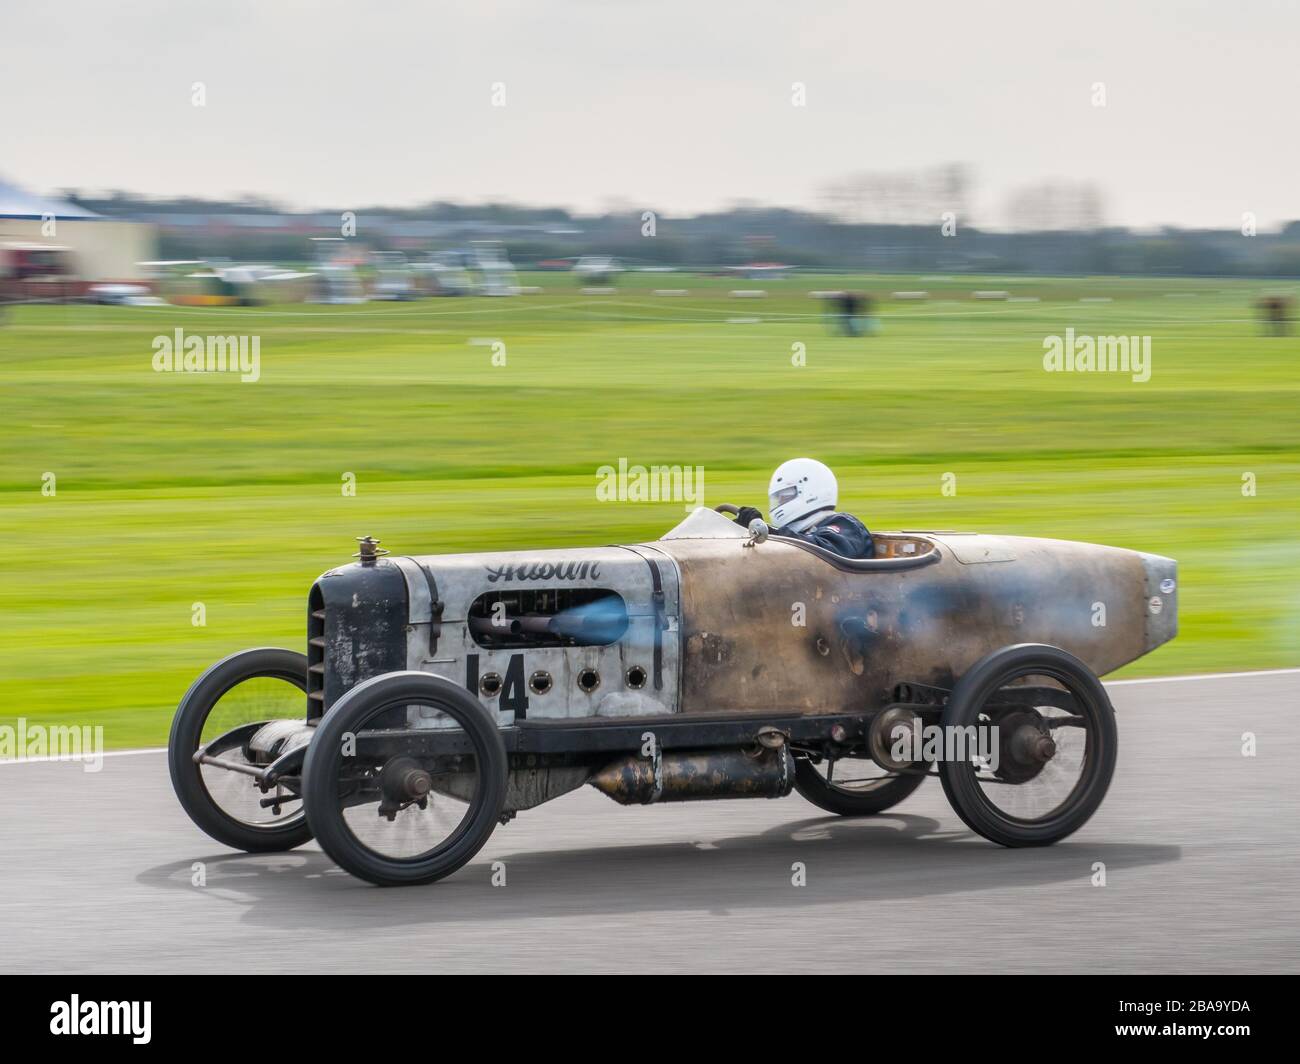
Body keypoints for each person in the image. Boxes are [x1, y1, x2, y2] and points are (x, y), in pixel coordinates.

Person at [734, 458, 874, 559]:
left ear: (812, 491)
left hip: (852, 597)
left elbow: (821, 553)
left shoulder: (843, 525)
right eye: (779, 498)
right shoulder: (800, 533)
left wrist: (770, 533)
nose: (781, 502)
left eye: (785, 496)